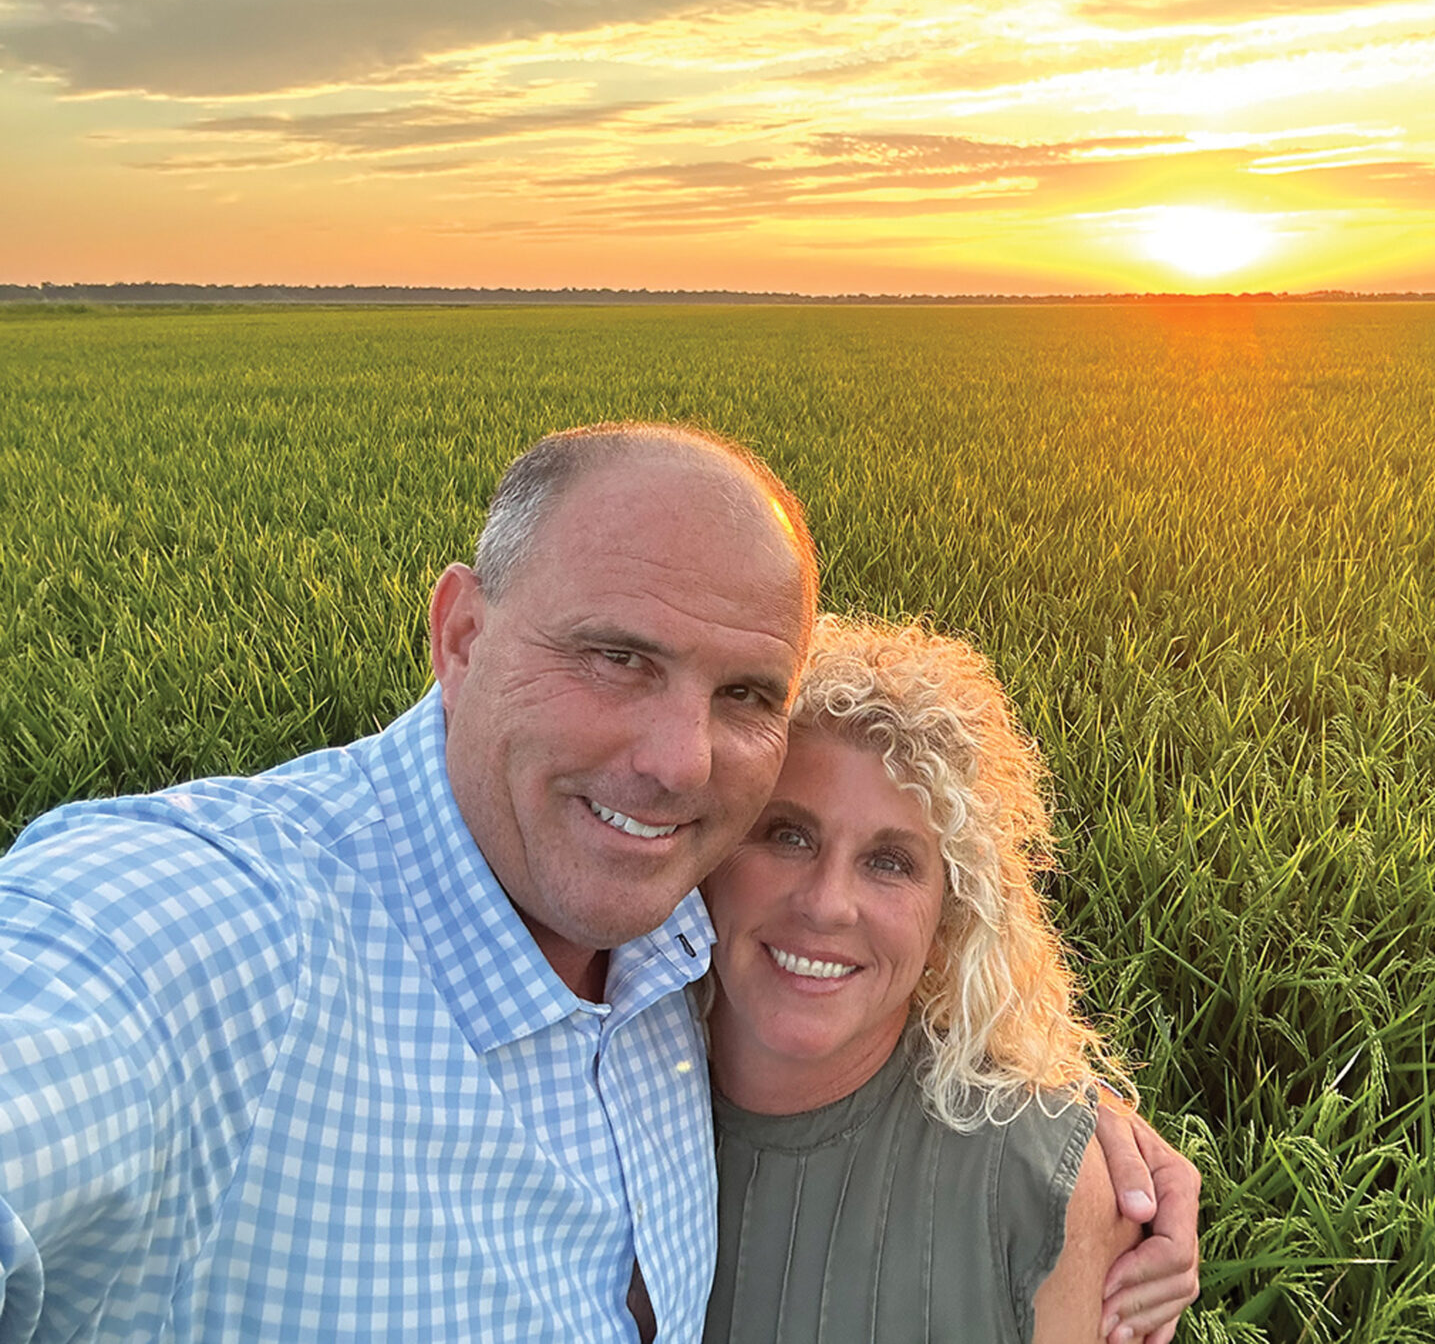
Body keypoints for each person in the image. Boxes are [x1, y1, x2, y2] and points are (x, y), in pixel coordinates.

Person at [0, 423, 1198, 1343]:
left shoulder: (666, 941)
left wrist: (1072, 1146)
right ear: (461, 636)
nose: (679, 763)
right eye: (617, 657)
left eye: (744, 698)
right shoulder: (204, 929)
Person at [701, 615, 1176, 1344]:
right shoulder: (606, 1085)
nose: (828, 903)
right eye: (788, 835)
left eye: (890, 862)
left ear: (947, 919)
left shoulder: (1043, 1182)